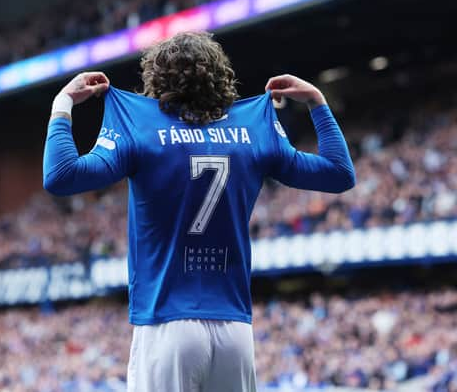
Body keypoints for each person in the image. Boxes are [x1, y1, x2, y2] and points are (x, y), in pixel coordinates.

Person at [43, 31, 355, 392]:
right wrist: (317, 102)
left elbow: (61, 176)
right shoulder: (253, 129)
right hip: (235, 330)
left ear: (155, 80)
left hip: (167, 323)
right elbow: (339, 174)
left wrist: (62, 104)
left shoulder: (139, 127)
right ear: (221, 77)